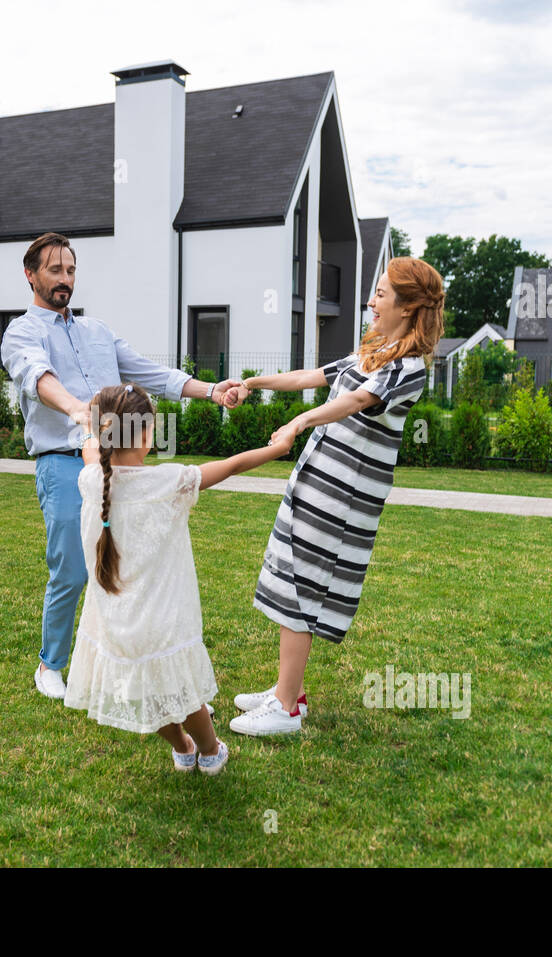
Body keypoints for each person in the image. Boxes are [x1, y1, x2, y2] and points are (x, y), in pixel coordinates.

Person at [0, 232, 246, 701]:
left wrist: (211, 391)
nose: (64, 280)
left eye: (70, 271)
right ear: (30, 275)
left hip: (120, 464)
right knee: (73, 570)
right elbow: (37, 376)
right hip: (63, 464)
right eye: (54, 270)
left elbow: (151, 373)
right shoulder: (22, 332)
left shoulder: (97, 331)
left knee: (127, 569)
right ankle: (50, 664)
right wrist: (77, 410)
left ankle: (126, 664)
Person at [228, 257, 445, 736]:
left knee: (303, 586)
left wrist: (303, 421)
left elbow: (353, 402)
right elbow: (314, 378)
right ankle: (290, 692)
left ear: (408, 308)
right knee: (291, 576)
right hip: (319, 481)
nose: (371, 302)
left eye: (382, 294)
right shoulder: (374, 354)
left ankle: (284, 709)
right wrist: (253, 382)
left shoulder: (407, 368)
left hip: (343, 497)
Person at [64, 382, 291, 773]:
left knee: (154, 696)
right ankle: (208, 749)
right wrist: (279, 447)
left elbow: (88, 448)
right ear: (146, 435)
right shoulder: (170, 481)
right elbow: (234, 464)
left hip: (117, 628)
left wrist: (87, 424)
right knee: (184, 696)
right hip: (163, 624)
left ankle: (183, 746)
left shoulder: (91, 481)